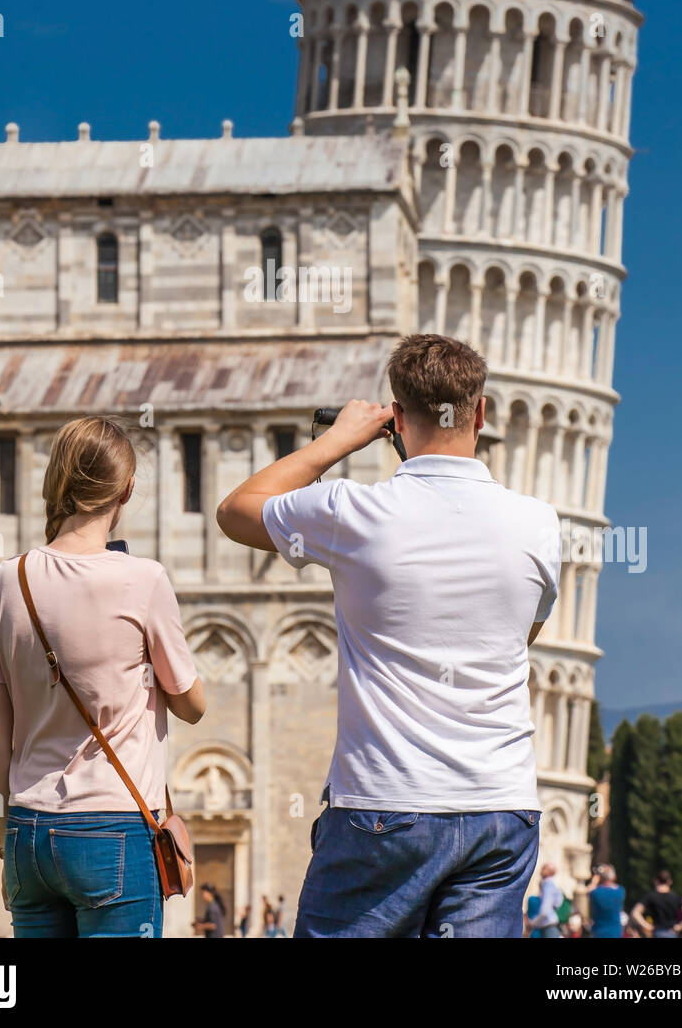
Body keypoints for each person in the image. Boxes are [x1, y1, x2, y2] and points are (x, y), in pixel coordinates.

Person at [217, 333, 562, 939]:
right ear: (480, 413)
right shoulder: (538, 522)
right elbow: (521, 635)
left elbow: (237, 509)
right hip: (499, 803)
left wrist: (335, 441)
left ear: (396, 417)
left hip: (384, 800)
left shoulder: (353, 512)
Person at [0, 416, 205, 938]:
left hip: (28, 834)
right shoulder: (142, 579)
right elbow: (192, 705)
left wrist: (2, 829)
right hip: (113, 829)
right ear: (126, 489)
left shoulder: (5, 581)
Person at [631, 871, 682, 939]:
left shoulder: (651, 896)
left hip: (657, 932)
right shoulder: (675, 897)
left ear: (656, 881)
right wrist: (680, 927)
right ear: (669, 881)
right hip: (672, 932)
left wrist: (646, 925)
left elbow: (635, 912)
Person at [588, 864, 625, 938]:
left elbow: (588, 891)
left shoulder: (596, 893)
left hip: (599, 932)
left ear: (600, 878)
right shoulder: (620, 891)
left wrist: (595, 880)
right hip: (616, 932)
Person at [530, 863, 564, 938]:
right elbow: (558, 902)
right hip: (549, 926)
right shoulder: (553, 885)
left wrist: (534, 922)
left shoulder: (547, 885)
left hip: (548, 926)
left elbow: (544, 910)